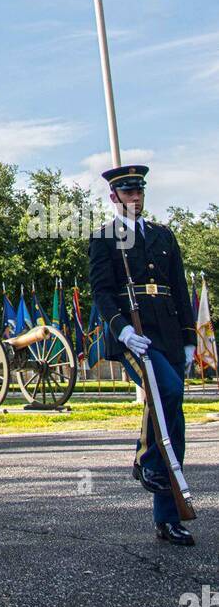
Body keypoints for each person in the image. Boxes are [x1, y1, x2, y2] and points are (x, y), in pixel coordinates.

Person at [89, 164, 197, 546]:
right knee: (166, 391)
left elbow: (180, 290)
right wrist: (122, 329)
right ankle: (149, 461)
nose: (135, 198)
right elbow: (101, 292)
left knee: (174, 418)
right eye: (128, 193)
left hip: (167, 331)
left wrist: (188, 340)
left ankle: (167, 516)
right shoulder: (104, 238)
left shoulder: (162, 235)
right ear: (114, 197)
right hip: (134, 337)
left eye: (139, 192)